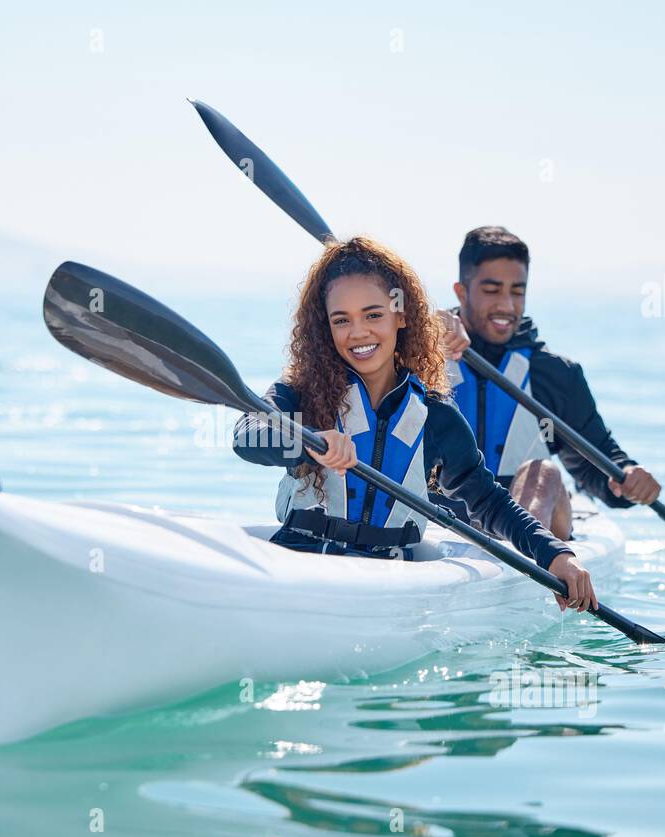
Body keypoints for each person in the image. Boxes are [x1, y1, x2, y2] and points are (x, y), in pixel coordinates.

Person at [233, 236, 597, 612]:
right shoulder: (299, 393)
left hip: (390, 579)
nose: (358, 332)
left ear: (401, 317)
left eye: (373, 315)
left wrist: (557, 555)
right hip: (301, 561)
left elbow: (489, 501)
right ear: (326, 329)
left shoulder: (435, 416)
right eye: (341, 320)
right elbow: (248, 436)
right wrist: (307, 439)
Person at [438, 226, 661, 540]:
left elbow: (598, 464)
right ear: (461, 293)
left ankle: (525, 553)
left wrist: (626, 477)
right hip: (437, 530)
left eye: (517, 291)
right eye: (492, 290)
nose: (507, 305)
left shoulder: (556, 375)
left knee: (543, 472)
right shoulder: (422, 355)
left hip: (525, 530)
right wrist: (425, 327)